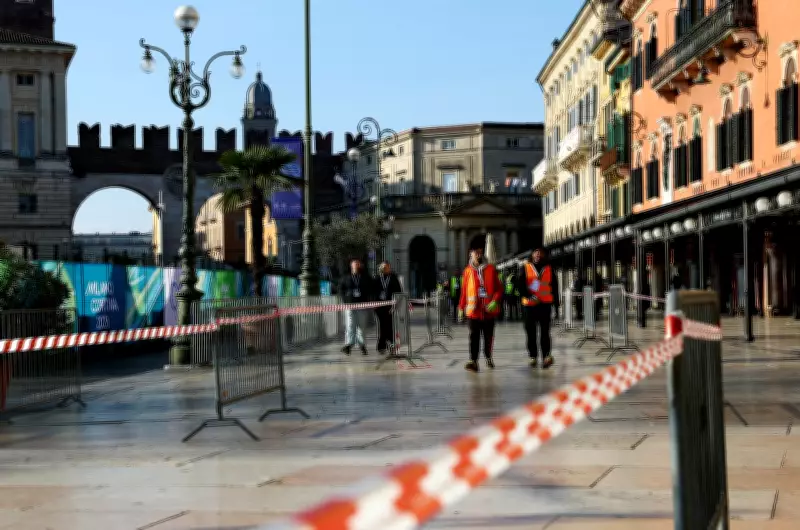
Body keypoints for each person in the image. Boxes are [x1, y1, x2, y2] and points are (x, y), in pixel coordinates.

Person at [458, 246, 502, 372]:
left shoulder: (491, 269)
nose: (478, 254)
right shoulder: (467, 271)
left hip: (488, 311)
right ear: (470, 254)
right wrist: (461, 307)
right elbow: (464, 291)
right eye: (475, 252)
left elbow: (499, 289)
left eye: (480, 252)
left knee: (488, 337)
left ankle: (488, 357)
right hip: (474, 312)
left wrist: (495, 301)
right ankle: (473, 361)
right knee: (473, 337)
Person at [517, 248, 559, 369]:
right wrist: (529, 296)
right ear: (532, 254)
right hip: (529, 306)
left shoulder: (550, 269)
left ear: (544, 255)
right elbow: (520, 286)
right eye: (535, 252)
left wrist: (556, 306)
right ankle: (533, 356)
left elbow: (555, 288)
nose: (538, 254)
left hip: (545, 305)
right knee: (531, 333)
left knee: (545, 332)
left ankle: (546, 356)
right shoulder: (525, 268)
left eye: (540, 252)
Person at [339, 258, 372, 355]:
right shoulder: (346, 277)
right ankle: (349, 345)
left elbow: (370, 289)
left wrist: (368, 299)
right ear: (351, 266)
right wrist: (345, 300)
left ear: (360, 266)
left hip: (362, 305)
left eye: (358, 264)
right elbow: (341, 289)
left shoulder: (365, 277)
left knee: (361, 326)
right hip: (350, 305)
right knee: (350, 325)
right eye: (354, 264)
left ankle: (362, 345)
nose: (356, 266)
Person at [373, 261, 402, 355]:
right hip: (379, 306)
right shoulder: (377, 278)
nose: (385, 268)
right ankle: (383, 345)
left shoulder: (393, 278)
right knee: (382, 325)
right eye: (383, 267)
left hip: (390, 305)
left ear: (389, 268)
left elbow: (399, 290)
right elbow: (373, 291)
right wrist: (374, 304)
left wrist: (396, 304)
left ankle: (389, 344)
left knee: (390, 324)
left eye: (387, 267)